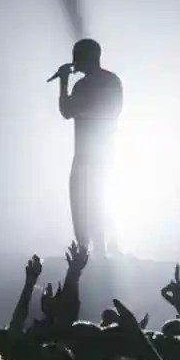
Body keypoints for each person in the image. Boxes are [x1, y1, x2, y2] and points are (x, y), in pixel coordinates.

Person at [51, 39, 122, 257]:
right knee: (102, 198)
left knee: (83, 202)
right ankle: (105, 249)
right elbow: (115, 110)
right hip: (108, 150)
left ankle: (88, 251)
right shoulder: (113, 80)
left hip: (86, 154)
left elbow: (66, 111)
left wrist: (63, 81)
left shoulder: (83, 85)